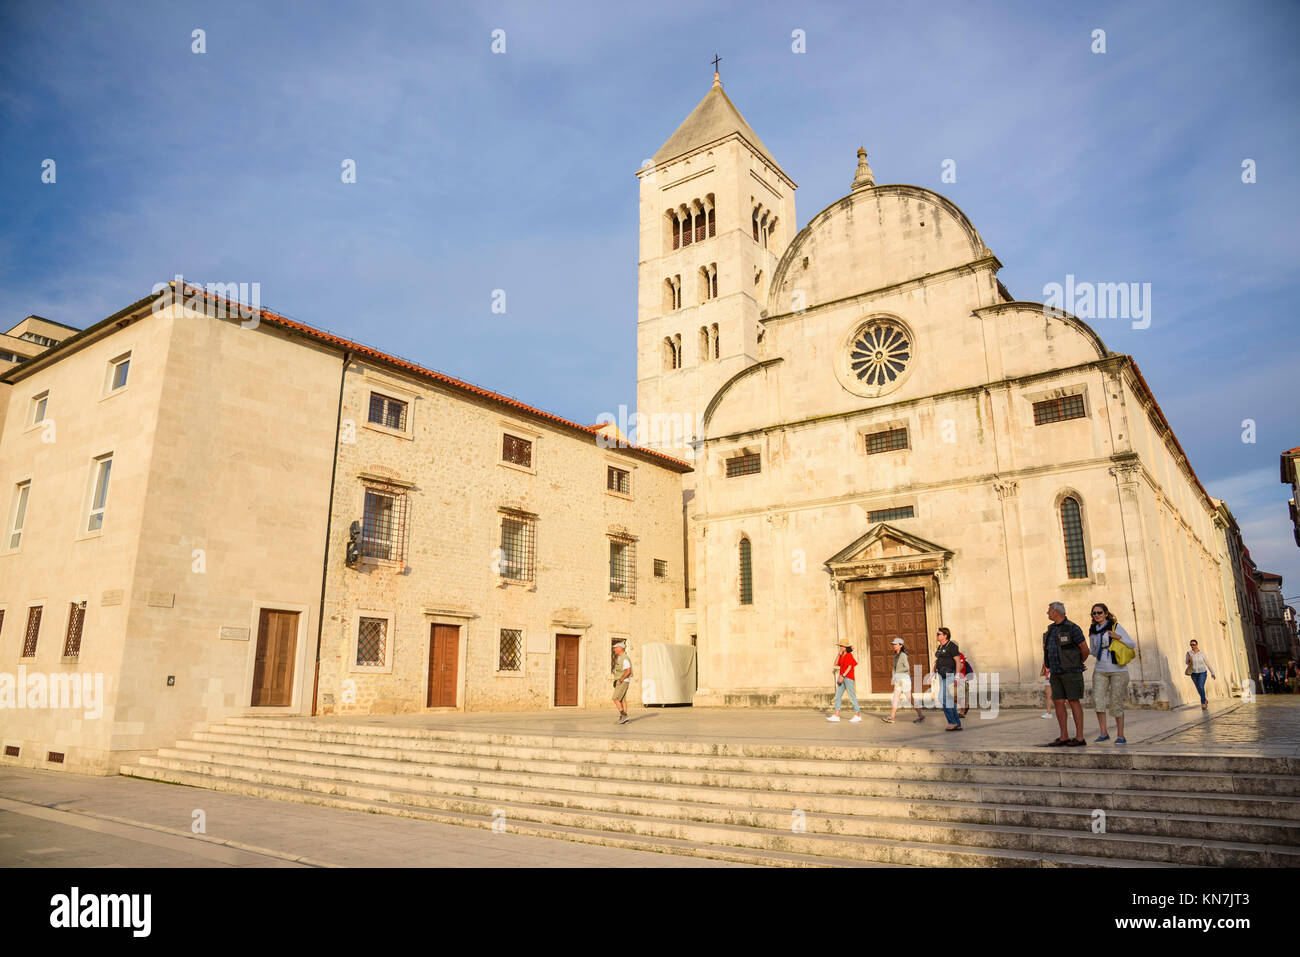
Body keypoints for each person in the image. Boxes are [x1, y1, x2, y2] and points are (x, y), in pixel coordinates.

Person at [1042, 601, 1089, 746]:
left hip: (1071, 672)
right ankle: (1064, 736)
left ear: (1057, 611)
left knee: (1074, 701)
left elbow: (1084, 649)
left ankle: (1080, 738)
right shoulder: (1050, 630)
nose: (1047, 613)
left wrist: (1076, 663)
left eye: (1049, 610)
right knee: (1058, 702)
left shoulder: (1072, 628)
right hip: (1055, 672)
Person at [1088, 603, 1135, 744]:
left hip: (1118, 670)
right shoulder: (1092, 629)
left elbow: (1132, 644)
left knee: (1116, 702)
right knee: (1098, 699)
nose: (1097, 615)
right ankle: (1103, 732)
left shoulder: (1115, 626)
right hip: (1100, 668)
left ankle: (1120, 735)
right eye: (1094, 613)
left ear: (1106, 613)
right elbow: (1092, 649)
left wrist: (1117, 637)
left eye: (1099, 612)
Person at [883, 636, 924, 723]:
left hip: (904, 679)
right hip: (898, 679)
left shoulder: (903, 655)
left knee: (909, 698)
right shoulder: (895, 656)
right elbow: (894, 668)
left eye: (895, 644)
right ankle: (892, 717)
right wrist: (893, 677)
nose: (893, 645)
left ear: (900, 645)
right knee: (896, 697)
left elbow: (907, 667)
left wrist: (897, 672)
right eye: (893, 644)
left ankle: (920, 715)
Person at [932, 627, 962, 731]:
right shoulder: (940, 646)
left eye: (939, 634)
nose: (937, 635)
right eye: (937, 634)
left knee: (942, 698)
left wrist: (957, 676)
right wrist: (932, 672)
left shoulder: (951, 646)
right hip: (941, 675)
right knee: (947, 699)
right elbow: (937, 661)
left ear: (945, 635)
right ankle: (957, 723)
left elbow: (958, 662)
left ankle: (952, 722)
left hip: (949, 674)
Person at [828, 639, 862, 722]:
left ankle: (857, 715)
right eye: (840, 646)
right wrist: (838, 654)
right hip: (842, 677)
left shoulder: (849, 655)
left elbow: (850, 667)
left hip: (848, 677)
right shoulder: (842, 655)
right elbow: (835, 664)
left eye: (842, 646)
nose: (840, 647)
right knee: (838, 696)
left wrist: (843, 676)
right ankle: (836, 715)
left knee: (852, 696)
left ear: (845, 647)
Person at [1184, 640, 1215, 710]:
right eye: (1191, 645)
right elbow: (1186, 662)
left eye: (1194, 644)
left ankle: (1203, 702)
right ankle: (1204, 699)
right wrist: (1189, 660)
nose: (1192, 646)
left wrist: (1212, 673)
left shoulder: (1202, 653)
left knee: (1201, 686)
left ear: (1197, 644)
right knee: (1198, 688)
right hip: (1193, 673)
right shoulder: (1189, 653)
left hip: (1202, 672)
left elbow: (1208, 663)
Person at [611, 640, 632, 724]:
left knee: (615, 698)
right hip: (621, 680)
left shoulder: (625, 658)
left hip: (623, 681)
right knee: (622, 699)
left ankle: (624, 715)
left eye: (615, 648)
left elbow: (628, 671)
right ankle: (624, 718)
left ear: (620, 648)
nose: (614, 649)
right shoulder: (619, 657)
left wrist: (621, 679)